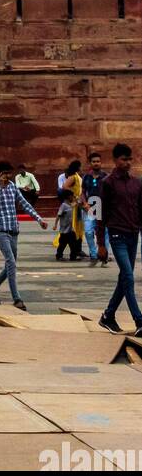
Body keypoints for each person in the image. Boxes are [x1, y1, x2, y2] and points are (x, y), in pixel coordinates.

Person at [0, 160, 48, 312]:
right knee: (11, 263)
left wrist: (39, 219)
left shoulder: (13, 187)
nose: (8, 177)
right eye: (5, 174)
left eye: (9, 174)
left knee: (9, 266)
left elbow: (24, 204)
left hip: (14, 231)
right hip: (1, 231)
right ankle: (16, 298)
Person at [96, 143, 142, 335]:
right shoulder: (107, 183)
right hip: (117, 235)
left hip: (133, 235)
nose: (127, 163)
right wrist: (100, 244)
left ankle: (108, 316)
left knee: (125, 278)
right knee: (129, 278)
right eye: (124, 159)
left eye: (129, 159)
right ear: (115, 160)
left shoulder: (136, 183)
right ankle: (139, 320)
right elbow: (100, 214)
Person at [82, 152, 109, 265]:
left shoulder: (106, 177)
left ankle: (104, 256)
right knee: (88, 232)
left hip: (103, 209)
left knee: (105, 233)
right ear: (90, 163)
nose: (96, 163)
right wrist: (84, 203)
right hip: (90, 208)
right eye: (94, 161)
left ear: (101, 162)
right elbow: (82, 192)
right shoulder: (86, 177)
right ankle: (94, 255)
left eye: (98, 161)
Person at [58, 160, 85, 259]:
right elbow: (65, 187)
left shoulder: (76, 176)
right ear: (77, 167)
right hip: (74, 205)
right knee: (74, 228)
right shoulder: (73, 177)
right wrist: (74, 196)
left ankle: (78, 249)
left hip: (78, 205)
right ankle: (75, 251)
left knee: (79, 228)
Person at [54, 189, 78, 261]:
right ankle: (59, 256)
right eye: (72, 196)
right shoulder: (63, 205)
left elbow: (75, 204)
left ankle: (73, 257)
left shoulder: (70, 205)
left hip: (70, 229)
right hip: (64, 230)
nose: (73, 198)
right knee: (62, 244)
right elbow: (58, 215)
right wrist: (55, 225)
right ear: (68, 197)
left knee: (73, 244)